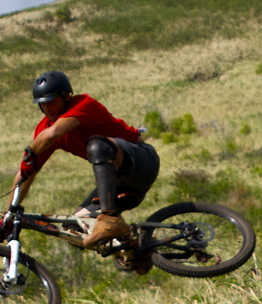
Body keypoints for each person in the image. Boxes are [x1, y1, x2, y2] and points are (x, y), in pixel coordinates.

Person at [9, 70, 160, 250]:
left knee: (97, 146)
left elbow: (54, 133)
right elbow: (25, 174)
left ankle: (110, 218)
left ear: (66, 96)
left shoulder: (83, 104)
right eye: (43, 105)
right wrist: (10, 212)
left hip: (141, 162)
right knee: (75, 227)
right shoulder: (45, 130)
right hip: (117, 183)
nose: (48, 108)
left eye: (52, 102)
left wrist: (30, 153)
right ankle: (137, 250)